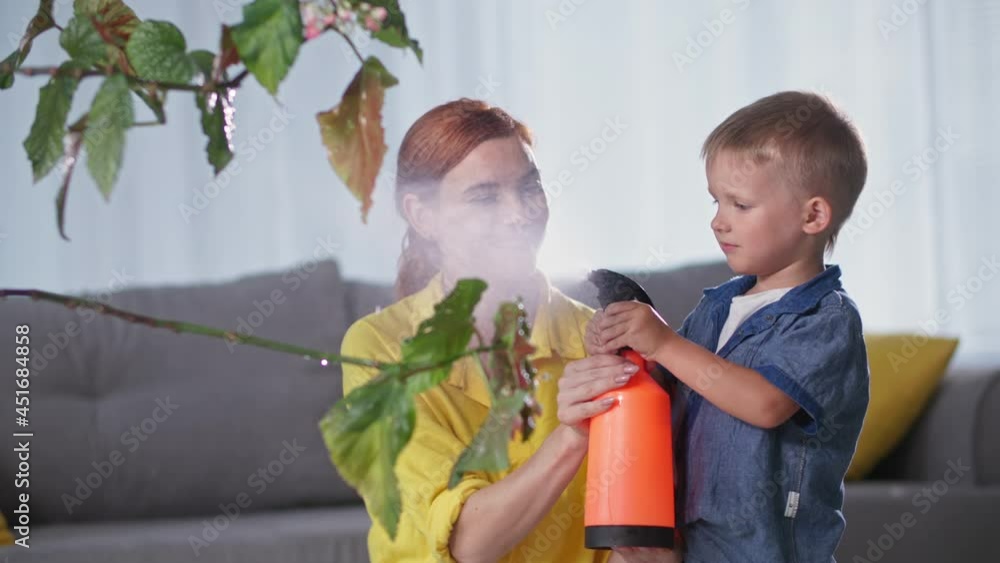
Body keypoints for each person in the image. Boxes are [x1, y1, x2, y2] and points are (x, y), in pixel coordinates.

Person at [559, 91, 870, 562]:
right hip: (693, 543)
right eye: (715, 202)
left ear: (813, 215)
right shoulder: (717, 306)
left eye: (739, 205)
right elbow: (677, 385)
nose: (718, 223)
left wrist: (664, 343)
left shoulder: (825, 320)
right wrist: (629, 348)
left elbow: (765, 403)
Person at [340, 98, 623, 562]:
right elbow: (467, 543)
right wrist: (572, 436)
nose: (519, 214)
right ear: (422, 215)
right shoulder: (380, 349)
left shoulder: (600, 341)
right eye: (485, 197)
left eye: (529, 187)